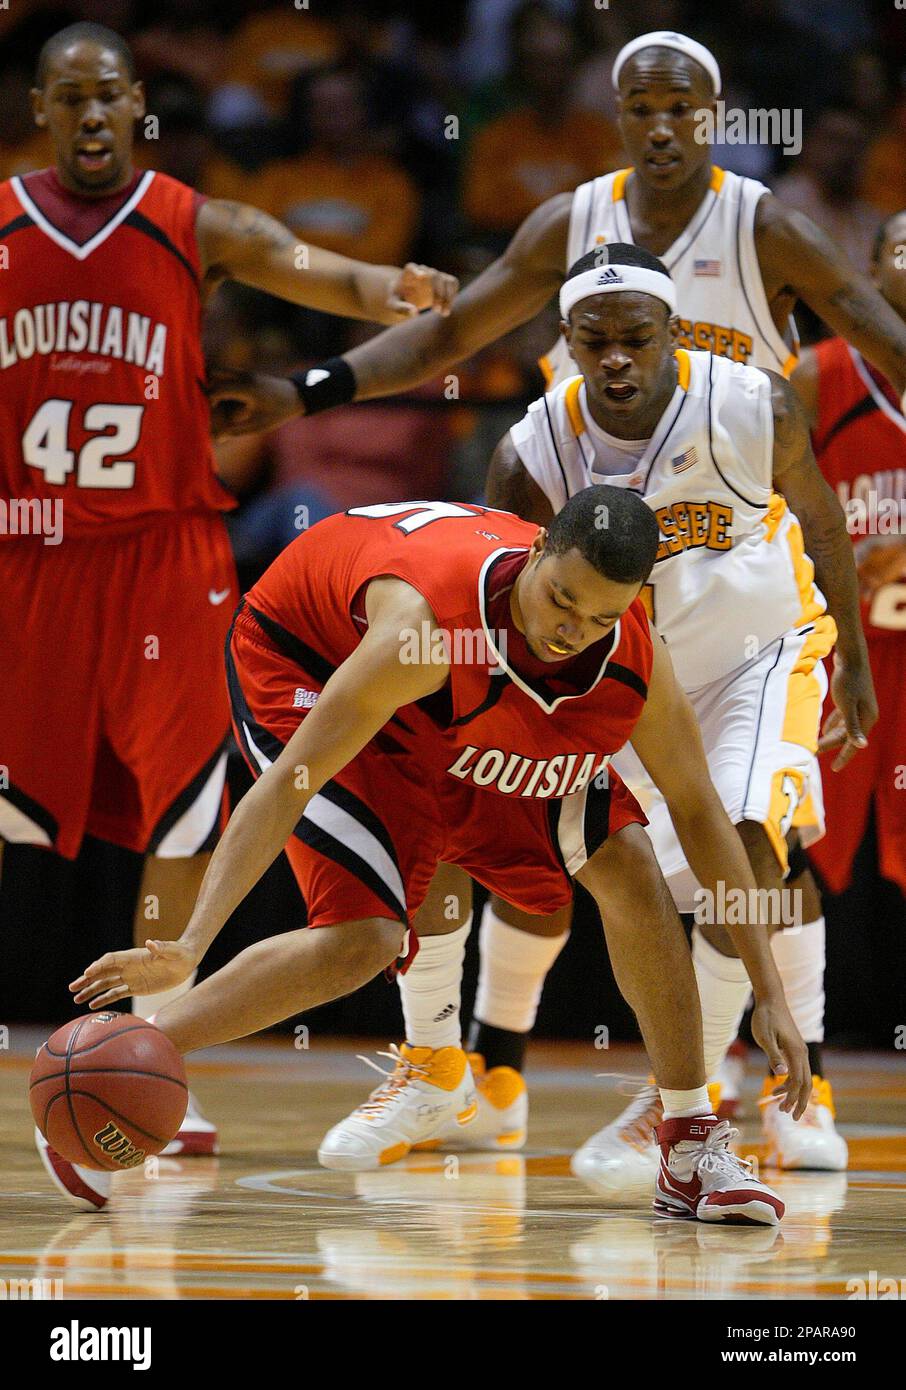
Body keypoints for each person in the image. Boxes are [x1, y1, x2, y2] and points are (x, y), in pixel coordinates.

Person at [215, 30, 888, 1169]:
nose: (662, 125)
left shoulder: (757, 292)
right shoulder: (540, 413)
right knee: (525, 847)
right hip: (610, 641)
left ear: (714, 111)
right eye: (641, 105)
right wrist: (308, 386)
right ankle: (467, 1074)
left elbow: (854, 392)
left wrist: (856, 658)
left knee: (750, 852)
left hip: (750, 635)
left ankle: (726, 1094)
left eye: (684, 106)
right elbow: (450, 333)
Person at [43, 485, 808, 1220]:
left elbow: (703, 814)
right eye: (561, 599)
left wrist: (768, 989)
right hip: (305, 657)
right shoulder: (427, 630)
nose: (570, 627)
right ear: (539, 549)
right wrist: (187, 946)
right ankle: (116, 1060)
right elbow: (287, 785)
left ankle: (687, 1144)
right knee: (362, 940)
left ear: (634, 606)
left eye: (598, 616)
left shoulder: (634, 661)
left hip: (452, 687)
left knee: (627, 860)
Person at [312, 245, 873, 1184]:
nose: (616, 358)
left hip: (758, 656)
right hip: (615, 674)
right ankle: (448, 1067)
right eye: (594, 340)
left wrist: (853, 652)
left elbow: (818, 520)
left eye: (636, 340)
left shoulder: (751, 404)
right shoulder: (530, 452)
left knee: (749, 842)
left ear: (671, 336)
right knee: (479, 827)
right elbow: (502, 595)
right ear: (565, 341)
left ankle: (681, 1103)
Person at [0, 22, 455, 1153]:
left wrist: (387, 287)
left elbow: (307, 264)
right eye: (73, 99)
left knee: (183, 815)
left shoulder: (190, 219)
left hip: (163, 554)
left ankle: (150, 1041)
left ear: (137, 100)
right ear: (44, 110)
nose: (94, 115)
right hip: (27, 551)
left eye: (111, 96)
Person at [794, 211, 906, 906]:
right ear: (869, 274)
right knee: (799, 841)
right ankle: (782, 1013)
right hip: (843, 648)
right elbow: (762, 510)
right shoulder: (815, 375)